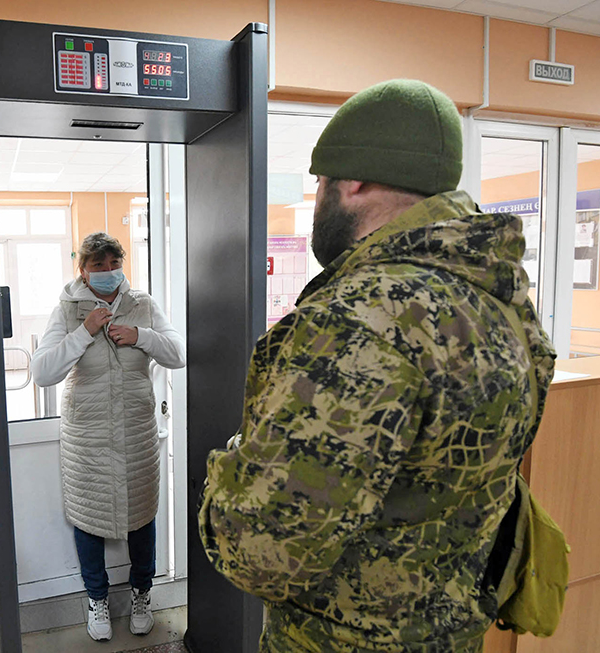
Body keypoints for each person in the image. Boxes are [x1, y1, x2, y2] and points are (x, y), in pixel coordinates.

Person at [197, 79, 556, 652]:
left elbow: (260, 552)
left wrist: (231, 465)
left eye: (320, 182)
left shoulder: (358, 321)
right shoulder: (501, 302)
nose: (317, 199)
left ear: (354, 180)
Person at [31, 231, 186, 642]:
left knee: (141, 516)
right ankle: (96, 599)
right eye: (98, 265)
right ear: (82, 270)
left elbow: (178, 353)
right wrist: (83, 332)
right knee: (89, 517)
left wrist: (142, 336)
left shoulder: (143, 305)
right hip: (89, 436)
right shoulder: (67, 310)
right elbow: (44, 372)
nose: (107, 271)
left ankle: (142, 594)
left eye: (114, 263)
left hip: (136, 431)